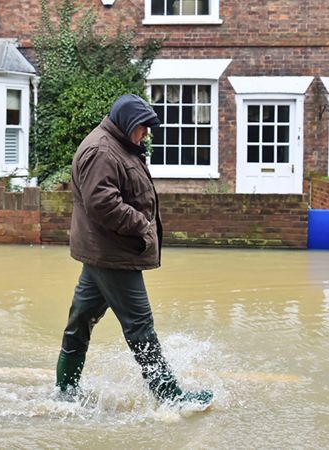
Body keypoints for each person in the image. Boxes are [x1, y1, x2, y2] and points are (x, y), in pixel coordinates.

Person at [55, 94, 213, 408]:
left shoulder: (118, 146)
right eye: (143, 127)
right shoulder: (102, 151)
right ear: (128, 123)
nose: (146, 134)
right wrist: (141, 225)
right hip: (113, 254)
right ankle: (171, 398)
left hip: (104, 251)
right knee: (140, 327)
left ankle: (65, 393)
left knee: (80, 323)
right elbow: (103, 204)